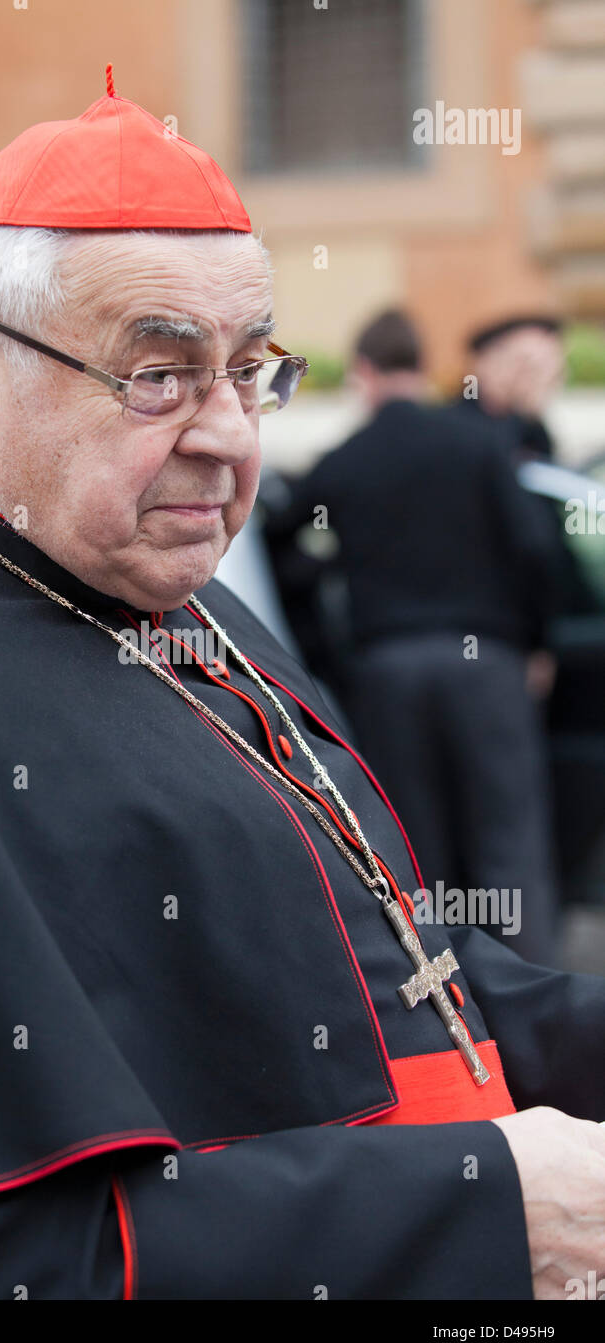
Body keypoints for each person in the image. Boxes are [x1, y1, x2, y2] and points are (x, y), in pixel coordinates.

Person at [0, 75, 603, 1302]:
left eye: (250, 370)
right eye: (159, 373)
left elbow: (396, 968)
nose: (230, 436)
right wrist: (482, 1209)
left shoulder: (189, 605)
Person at [264, 310, 563, 968]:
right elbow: (536, 548)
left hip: (387, 671)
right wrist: (538, 642)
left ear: (365, 374)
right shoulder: (477, 444)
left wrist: (324, 651)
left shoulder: (346, 460)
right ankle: (537, 1006)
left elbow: (282, 544)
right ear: (423, 370)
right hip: (489, 662)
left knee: (416, 848)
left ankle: (450, 1007)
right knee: (509, 842)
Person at [453, 314, 564, 464]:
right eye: (527, 365)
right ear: (484, 364)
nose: (541, 379)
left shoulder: (532, 430)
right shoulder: (458, 429)